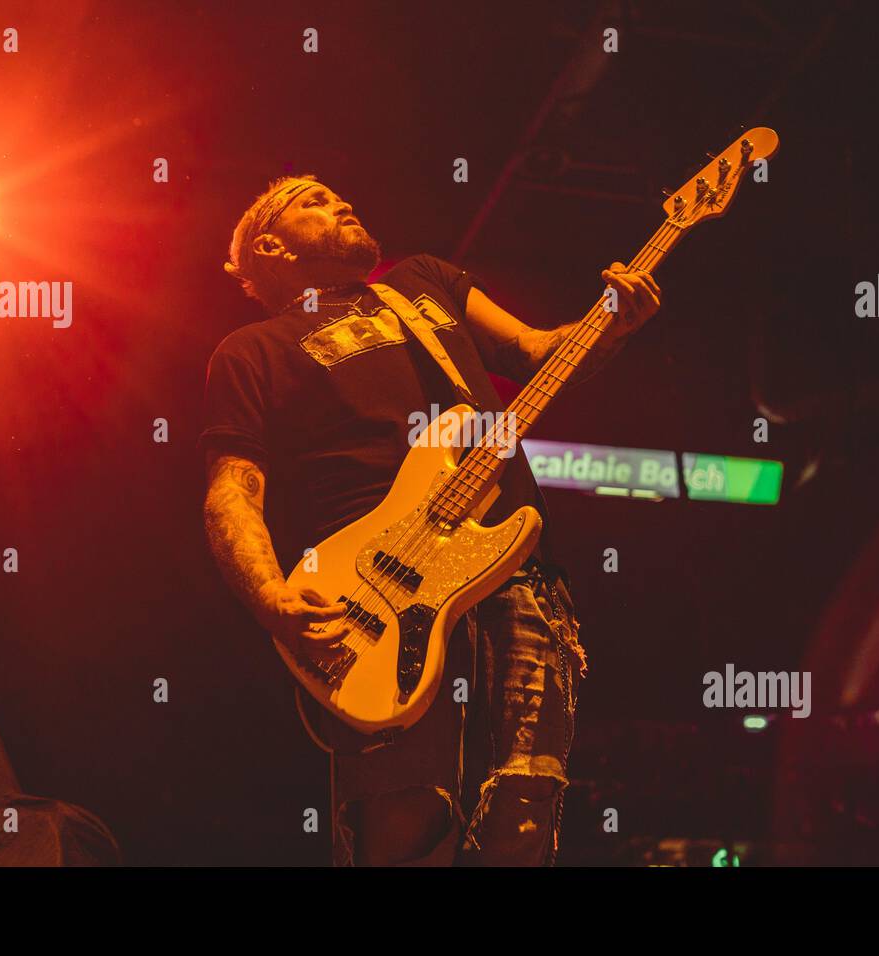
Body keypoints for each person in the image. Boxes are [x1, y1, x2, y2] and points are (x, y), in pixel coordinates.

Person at [200, 173, 660, 865]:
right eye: (313, 202)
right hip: (372, 596)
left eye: (339, 193)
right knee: (405, 816)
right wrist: (269, 595)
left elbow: (542, 354)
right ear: (270, 243)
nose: (342, 201)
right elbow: (233, 487)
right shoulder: (252, 349)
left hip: (510, 569)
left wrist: (612, 322)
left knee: (524, 812)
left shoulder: (424, 282)